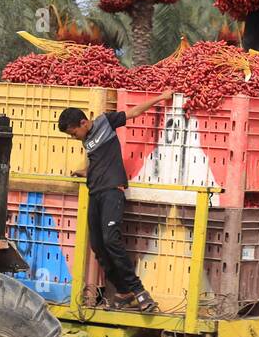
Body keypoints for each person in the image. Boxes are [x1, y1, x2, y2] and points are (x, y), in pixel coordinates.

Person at [58, 93, 173, 312]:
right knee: (98, 246)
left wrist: (161, 97)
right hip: (95, 193)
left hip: (112, 191)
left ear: (83, 122)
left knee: (111, 240)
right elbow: (98, 161)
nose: (75, 138)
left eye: (74, 133)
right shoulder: (87, 140)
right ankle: (123, 292)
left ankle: (139, 291)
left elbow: (134, 112)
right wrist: (84, 172)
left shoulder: (105, 122)